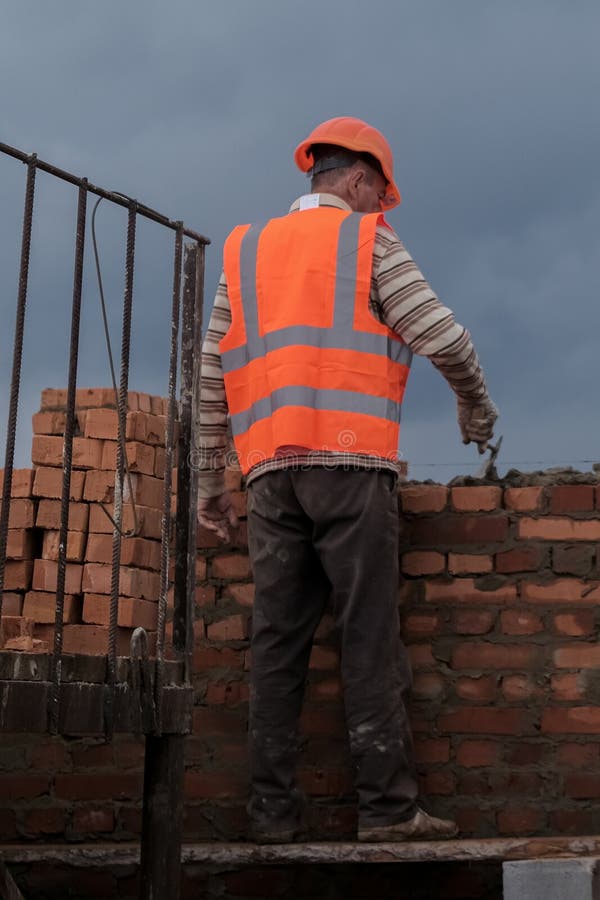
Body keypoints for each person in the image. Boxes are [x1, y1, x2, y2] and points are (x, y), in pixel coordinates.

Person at [196, 116, 497, 843]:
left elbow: (211, 375)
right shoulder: (366, 241)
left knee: (275, 642)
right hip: (350, 466)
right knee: (366, 635)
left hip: (270, 476)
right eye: (378, 194)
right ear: (358, 180)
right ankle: (389, 813)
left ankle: (270, 816)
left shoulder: (247, 250)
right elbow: (445, 336)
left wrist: (213, 481)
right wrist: (474, 405)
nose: (380, 208)